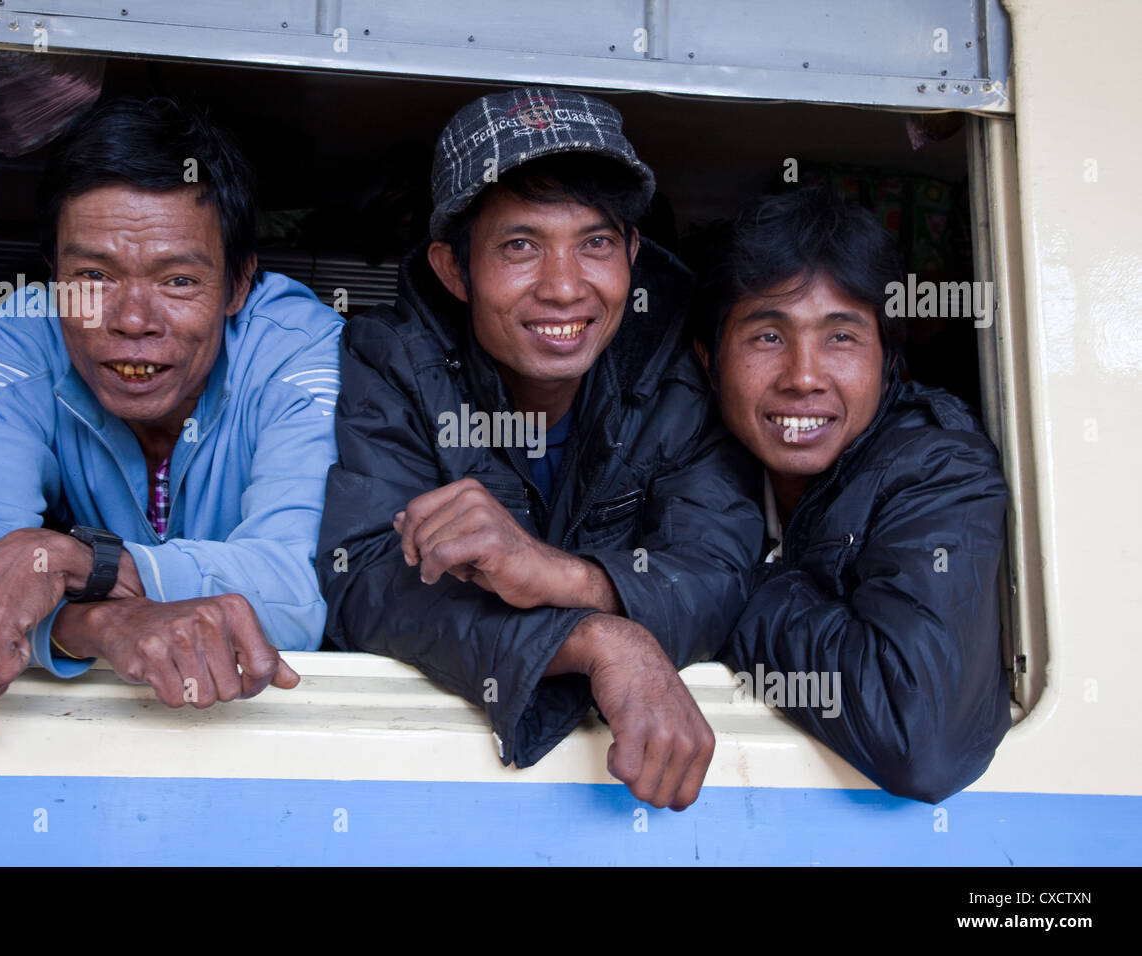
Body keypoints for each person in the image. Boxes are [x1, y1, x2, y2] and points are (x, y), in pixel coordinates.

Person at [317, 87, 761, 811]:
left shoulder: (680, 362)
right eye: (520, 245)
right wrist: (593, 639)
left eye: (595, 243)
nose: (564, 288)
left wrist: (565, 579)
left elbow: (720, 572)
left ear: (633, 253)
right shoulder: (391, 359)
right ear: (453, 268)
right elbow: (367, 583)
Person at [0, 97, 343, 736]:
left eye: (178, 282)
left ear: (240, 284)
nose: (133, 320)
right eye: (93, 276)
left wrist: (74, 563)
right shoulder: (25, 334)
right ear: (54, 279)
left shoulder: (299, 345)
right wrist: (99, 623)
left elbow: (306, 588)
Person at [698, 186, 1011, 803]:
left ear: (889, 361)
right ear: (707, 361)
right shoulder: (679, 454)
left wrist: (737, 586)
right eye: (767, 336)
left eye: (841, 337)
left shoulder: (940, 467)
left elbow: (919, 739)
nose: (804, 376)